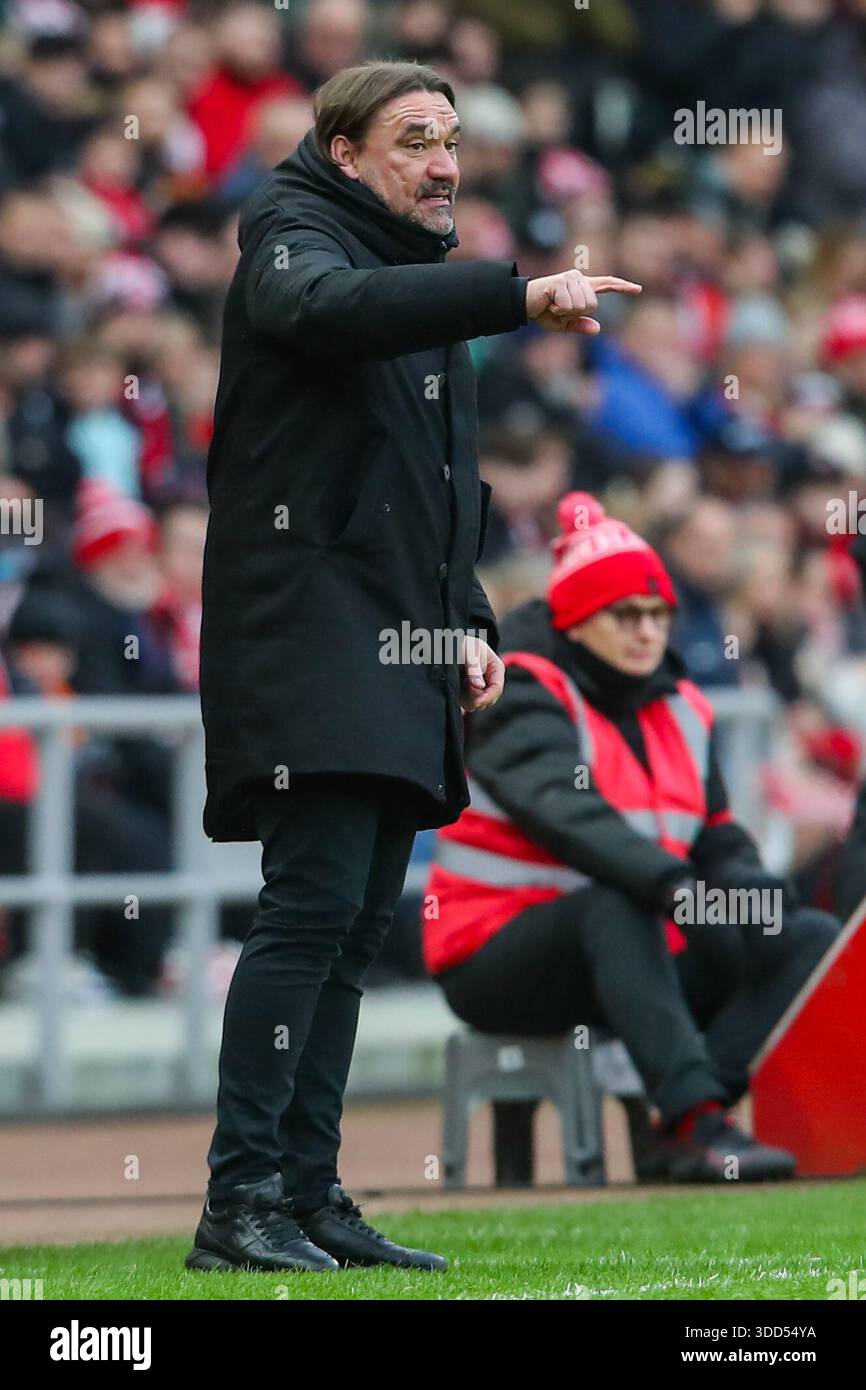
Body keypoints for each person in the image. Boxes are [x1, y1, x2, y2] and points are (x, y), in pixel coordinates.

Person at [190, 59, 641, 1275]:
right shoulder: (292, 233)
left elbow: (440, 496)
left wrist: (471, 619)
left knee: (346, 930)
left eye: (451, 142)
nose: (443, 162)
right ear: (342, 152)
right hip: (304, 632)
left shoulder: (411, 285)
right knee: (311, 910)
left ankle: (306, 1191)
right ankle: (239, 1201)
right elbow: (318, 314)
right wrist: (509, 294)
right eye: (413, 139)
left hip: (391, 638)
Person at [424, 491, 840, 1183]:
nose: (647, 631)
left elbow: (717, 837)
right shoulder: (518, 691)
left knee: (804, 938)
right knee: (617, 903)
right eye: (625, 614)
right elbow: (569, 815)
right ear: (577, 622)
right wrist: (680, 892)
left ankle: (685, 1115)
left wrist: (754, 902)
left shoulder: (682, 706)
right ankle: (693, 1117)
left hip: (636, 947)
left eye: (657, 615)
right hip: (492, 955)